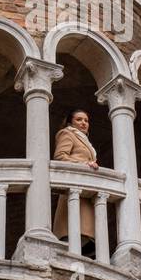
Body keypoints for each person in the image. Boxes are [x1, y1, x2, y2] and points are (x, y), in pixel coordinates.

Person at [52, 108, 98, 255]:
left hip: (85, 188)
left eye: (86, 120)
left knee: (85, 229)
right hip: (74, 186)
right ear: (70, 122)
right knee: (74, 226)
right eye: (79, 119)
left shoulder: (85, 141)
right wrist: (83, 164)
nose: (84, 123)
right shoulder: (67, 133)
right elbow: (60, 156)